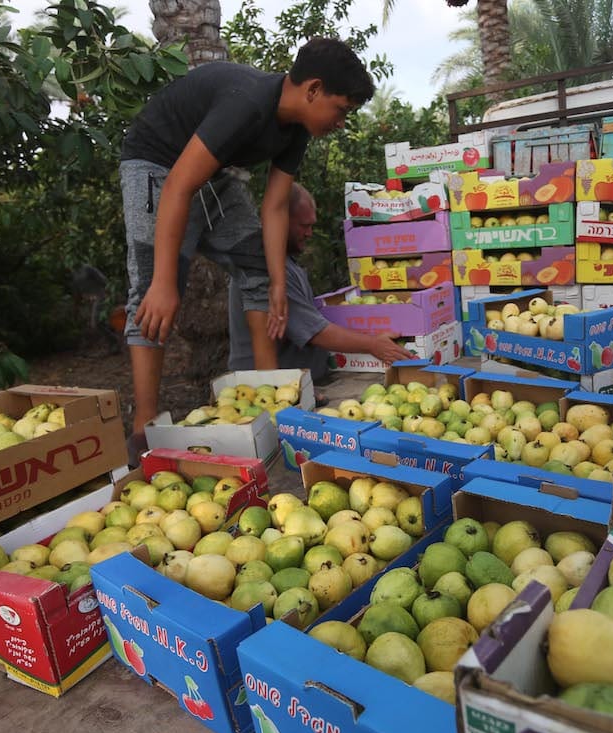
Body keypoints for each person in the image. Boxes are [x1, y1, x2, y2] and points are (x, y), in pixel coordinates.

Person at [118, 38, 375, 460]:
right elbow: (179, 184)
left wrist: (276, 281)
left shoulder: (296, 129)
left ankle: (269, 395)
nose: (341, 122)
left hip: (210, 174)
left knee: (257, 262)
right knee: (150, 291)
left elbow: (275, 207)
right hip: (157, 164)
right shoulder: (248, 103)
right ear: (313, 90)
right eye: (341, 110)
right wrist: (165, 282)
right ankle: (143, 430)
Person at [228, 183, 413, 384]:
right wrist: (373, 345)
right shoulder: (266, 268)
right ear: (280, 221)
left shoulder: (285, 263)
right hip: (269, 389)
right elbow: (314, 331)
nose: (309, 233)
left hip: (299, 386)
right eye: (304, 225)